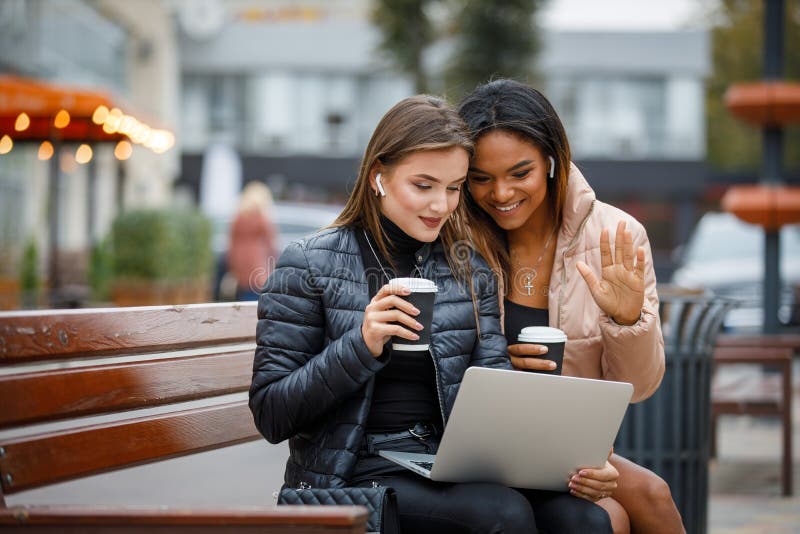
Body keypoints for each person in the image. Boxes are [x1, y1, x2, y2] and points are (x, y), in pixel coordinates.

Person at [250, 94, 614, 533]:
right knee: (501, 516)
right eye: (423, 185)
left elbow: (494, 390)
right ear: (378, 177)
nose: (441, 205)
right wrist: (361, 346)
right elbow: (271, 414)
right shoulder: (308, 264)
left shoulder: (468, 266)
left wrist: (572, 464)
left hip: (443, 465)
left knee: (583, 518)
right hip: (351, 476)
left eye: (454, 187)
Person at [457, 79, 684, 534]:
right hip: (476, 443)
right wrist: (500, 362)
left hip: (566, 449)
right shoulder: (457, 237)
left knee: (652, 495)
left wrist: (626, 321)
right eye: (481, 179)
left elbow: (637, 388)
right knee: (612, 518)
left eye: (520, 174)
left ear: (552, 162)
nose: (500, 194)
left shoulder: (615, 237)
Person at [227, 181, 279, 301]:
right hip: (258, 265)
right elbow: (272, 244)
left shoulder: (238, 217)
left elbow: (230, 245)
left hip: (240, 264)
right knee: (257, 302)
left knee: (244, 298)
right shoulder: (262, 218)